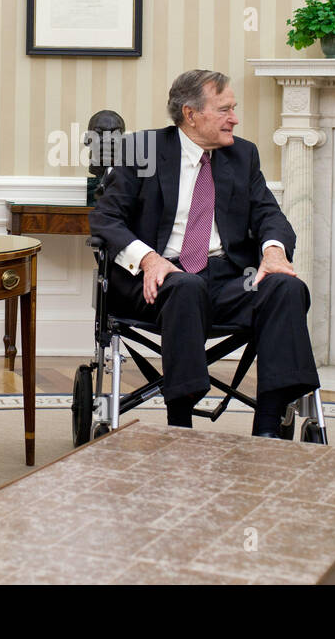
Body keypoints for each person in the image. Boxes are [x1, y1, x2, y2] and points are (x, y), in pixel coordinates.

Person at [89, 69, 320, 437]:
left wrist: (274, 252)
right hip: (158, 282)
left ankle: (269, 427)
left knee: (286, 289)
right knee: (184, 287)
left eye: (235, 108)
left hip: (227, 281)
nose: (235, 118)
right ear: (190, 114)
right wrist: (149, 258)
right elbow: (105, 220)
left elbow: (269, 214)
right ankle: (181, 424)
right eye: (225, 109)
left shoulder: (243, 156)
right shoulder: (142, 151)